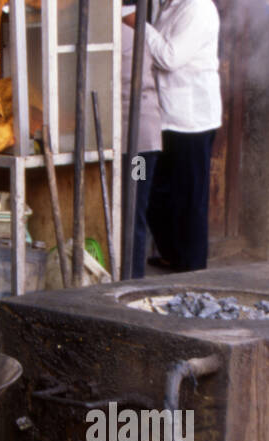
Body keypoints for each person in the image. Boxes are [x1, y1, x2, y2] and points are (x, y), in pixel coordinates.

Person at [125, 0, 221, 273]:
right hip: (168, 116)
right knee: (159, 193)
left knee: (190, 198)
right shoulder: (169, 5)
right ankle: (172, 253)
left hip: (192, 119)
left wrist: (138, 23)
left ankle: (192, 267)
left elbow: (169, 57)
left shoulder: (198, 8)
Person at [120, 5, 162, 278]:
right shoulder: (140, 36)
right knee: (135, 210)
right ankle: (132, 275)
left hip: (138, 142)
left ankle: (133, 277)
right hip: (144, 138)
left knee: (133, 211)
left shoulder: (121, 37)